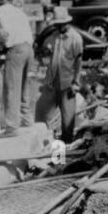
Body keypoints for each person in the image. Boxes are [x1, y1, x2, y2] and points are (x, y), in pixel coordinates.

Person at [35, 7, 85, 142]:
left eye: (61, 24)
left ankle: (66, 148)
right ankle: (41, 140)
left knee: (67, 120)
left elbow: (78, 62)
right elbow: (44, 54)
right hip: (52, 82)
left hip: (67, 83)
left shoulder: (75, 38)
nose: (59, 27)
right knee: (41, 112)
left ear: (67, 22)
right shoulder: (54, 37)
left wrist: (76, 83)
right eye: (57, 24)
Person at [0, 0, 34, 133]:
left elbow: (4, 33)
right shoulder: (18, 11)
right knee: (24, 86)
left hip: (16, 50)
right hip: (29, 49)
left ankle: (12, 126)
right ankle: (27, 119)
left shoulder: (0, 10)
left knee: (11, 88)